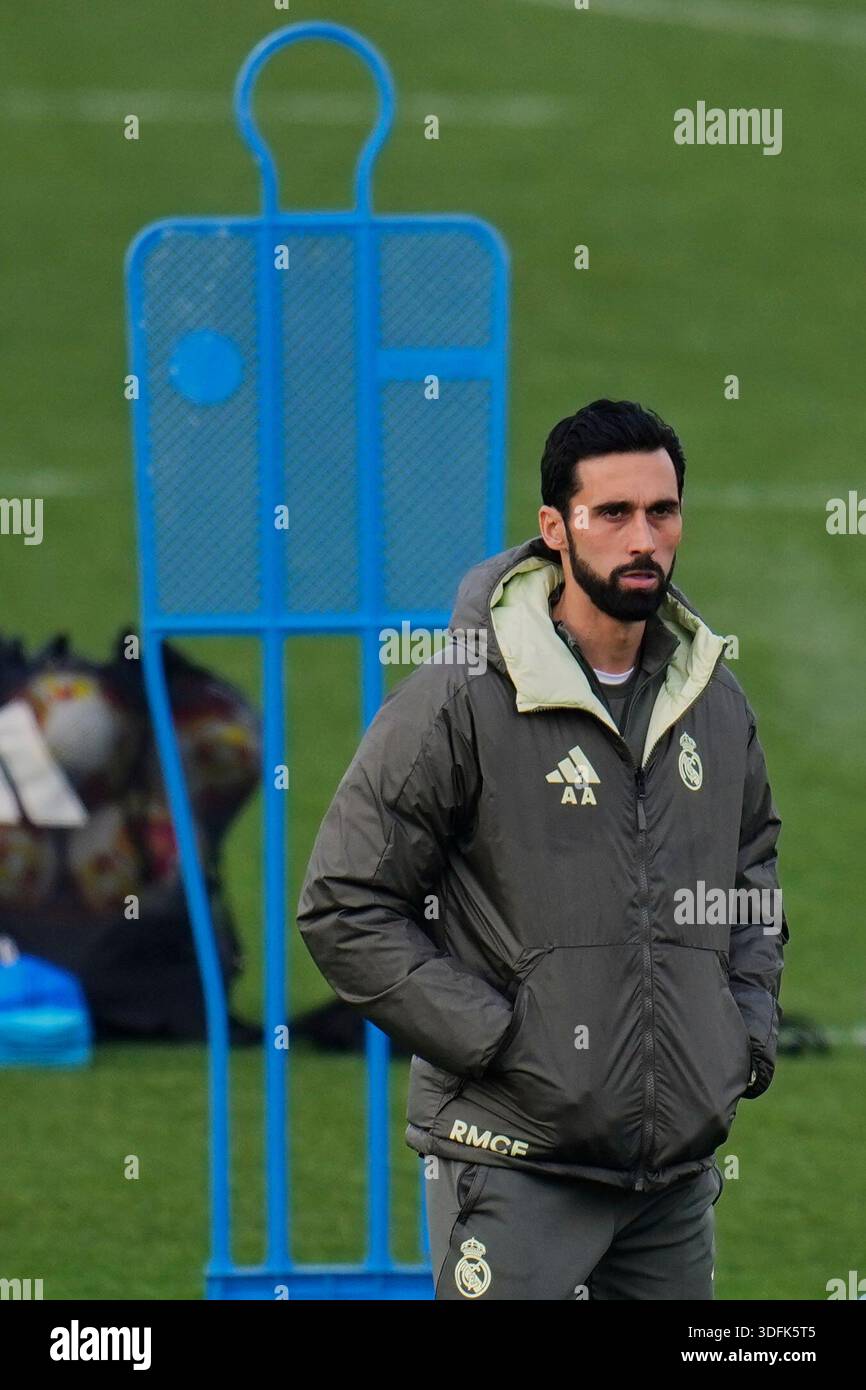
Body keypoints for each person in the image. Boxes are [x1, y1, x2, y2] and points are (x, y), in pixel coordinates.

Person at [296, 398, 789, 1300]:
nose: (643, 537)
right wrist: (502, 1039)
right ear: (555, 528)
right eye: (614, 514)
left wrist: (741, 1033)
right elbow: (344, 903)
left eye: (662, 511)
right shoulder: (460, 697)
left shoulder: (713, 702)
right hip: (515, 1165)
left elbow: (751, 877)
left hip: (670, 1183)